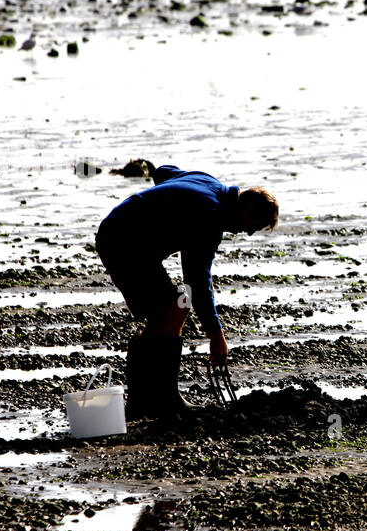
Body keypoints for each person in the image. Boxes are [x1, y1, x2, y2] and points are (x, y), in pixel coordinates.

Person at [95, 164, 279, 420]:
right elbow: (196, 283)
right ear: (246, 208)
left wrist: (164, 203)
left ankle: (144, 399)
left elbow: (163, 171)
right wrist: (216, 335)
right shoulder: (210, 217)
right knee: (177, 306)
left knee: (167, 311)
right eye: (252, 225)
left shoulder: (207, 180)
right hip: (124, 242)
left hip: (119, 230)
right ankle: (162, 399)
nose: (246, 232)